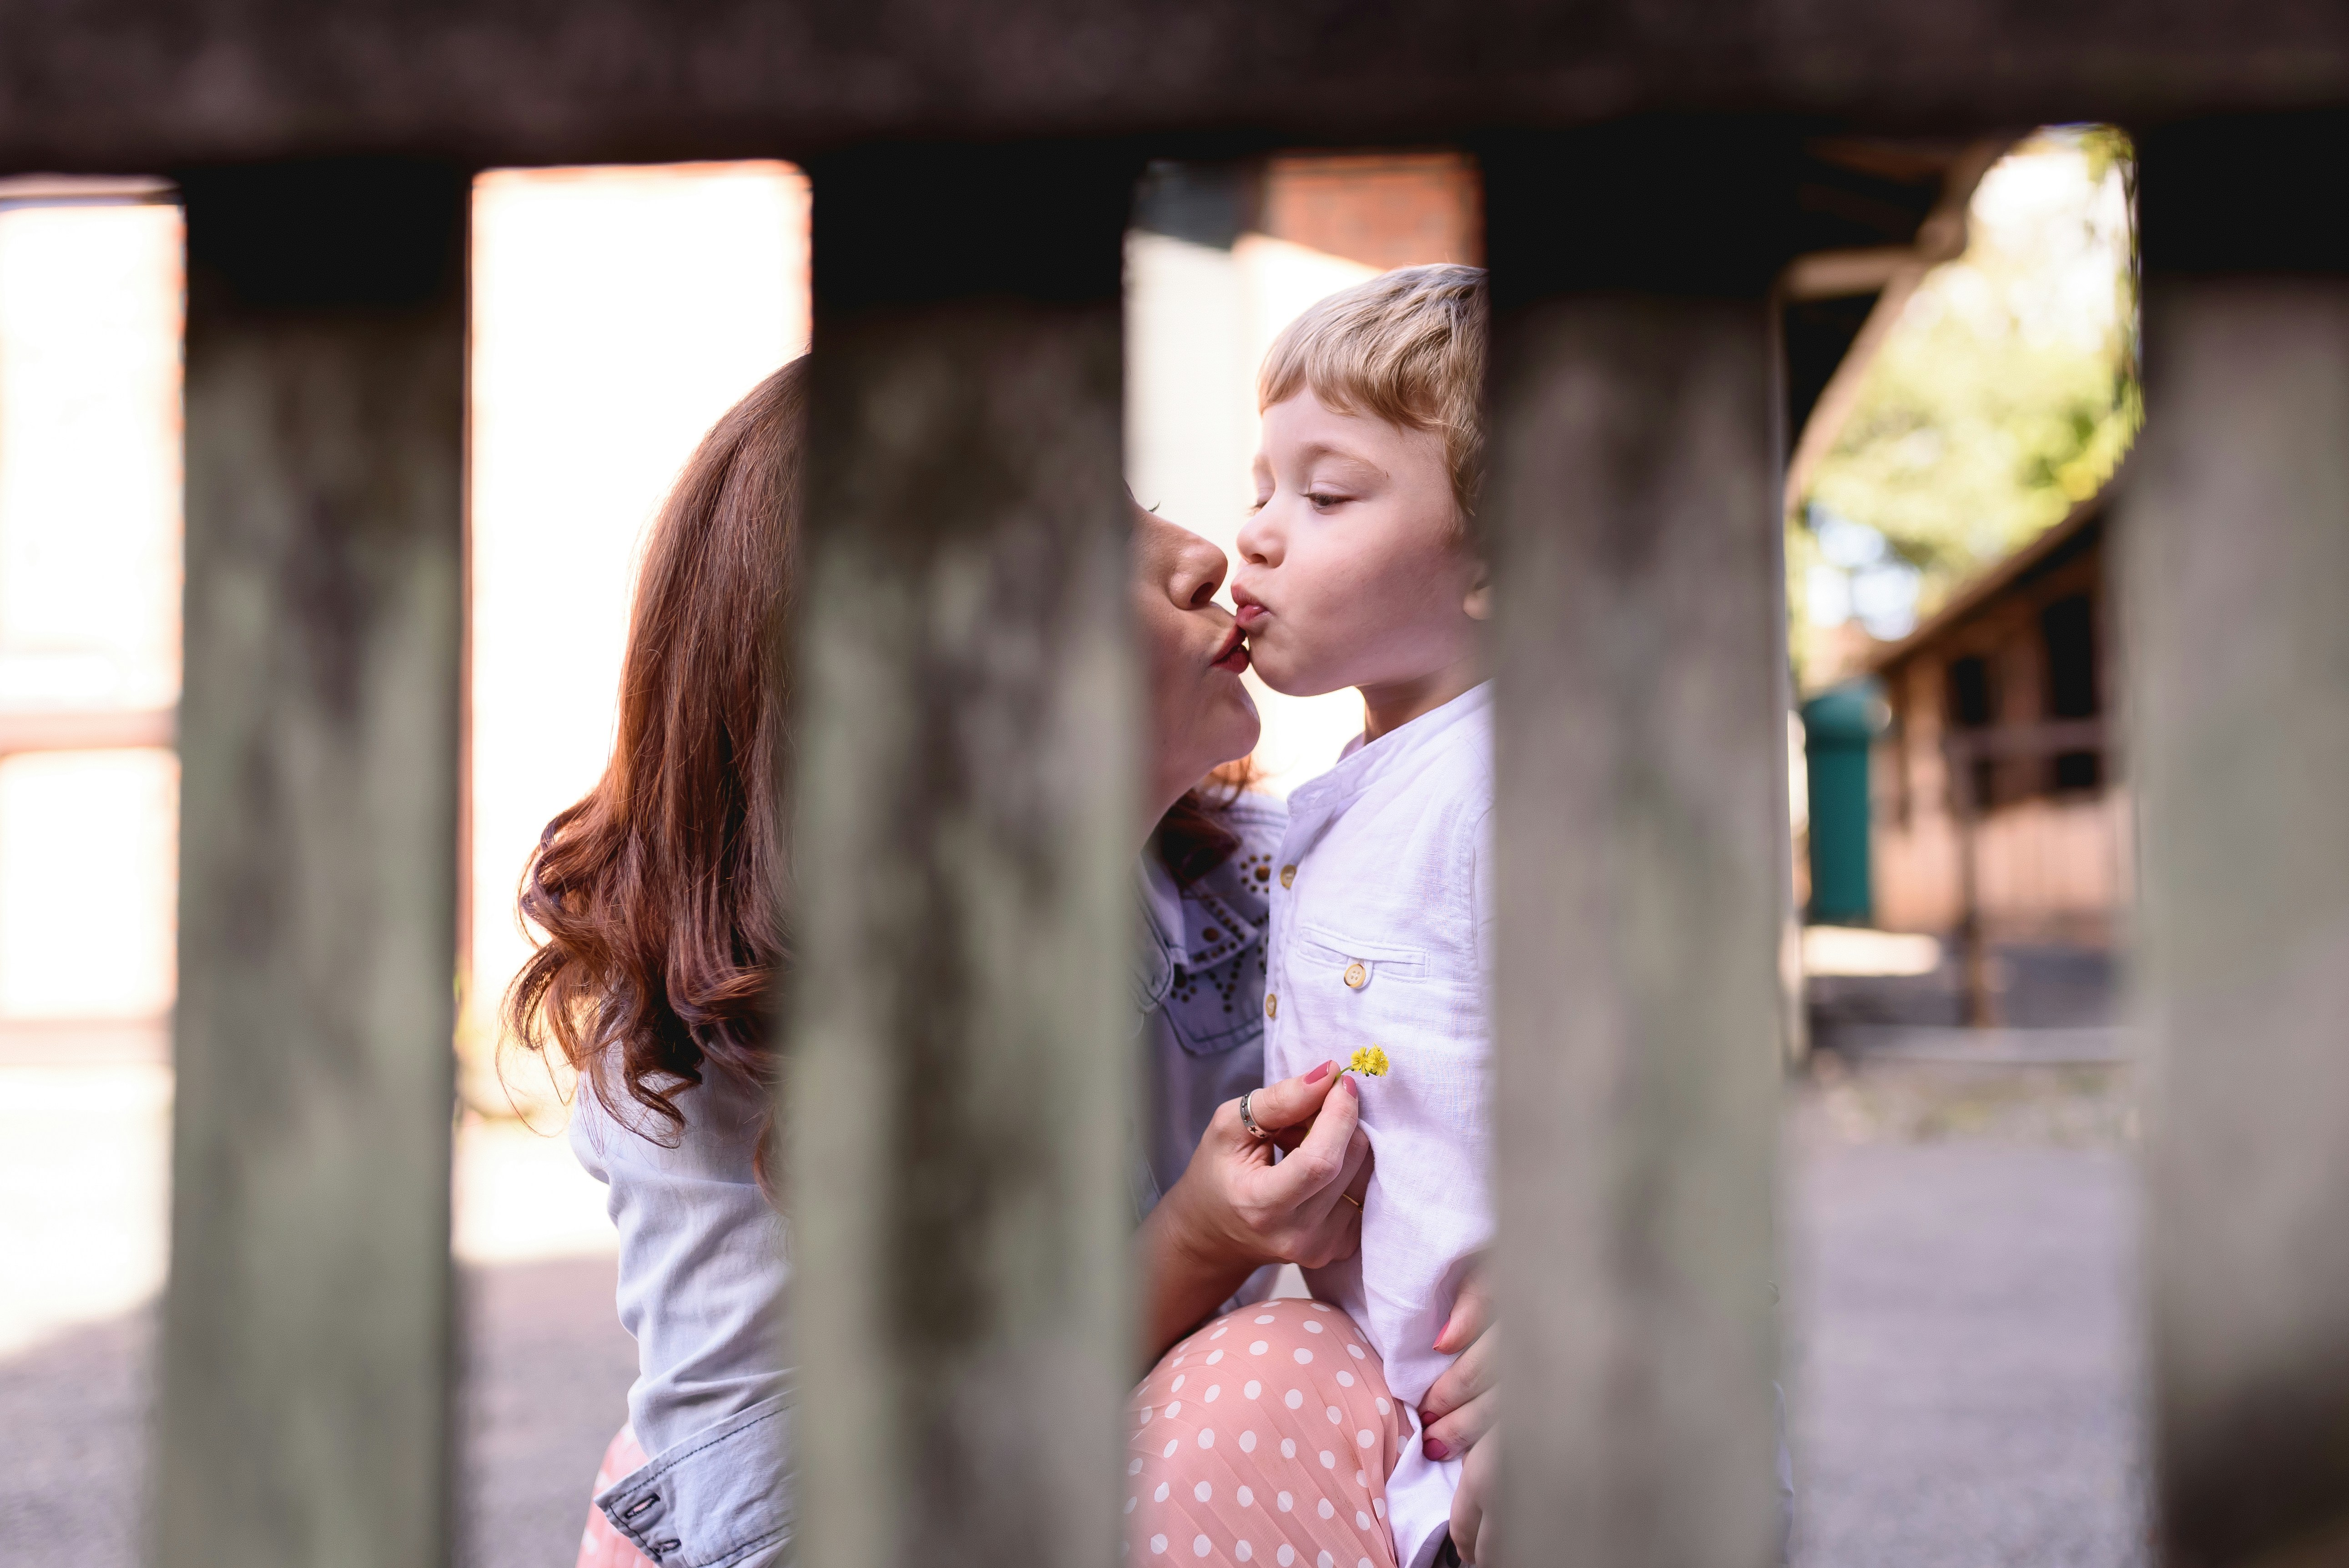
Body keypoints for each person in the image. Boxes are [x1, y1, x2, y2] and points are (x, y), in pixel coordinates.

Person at [507, 357, 1486, 1568]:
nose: (1202, 554)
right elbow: (764, 1519)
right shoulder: (710, 1046)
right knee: (1273, 1379)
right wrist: (1195, 1242)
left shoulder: (1270, 888)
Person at [1124, 264, 1498, 1568]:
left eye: (1326, 494)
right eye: (1262, 486)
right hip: (1416, 1446)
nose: (1255, 539)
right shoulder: (1357, 790)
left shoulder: (1505, 786)